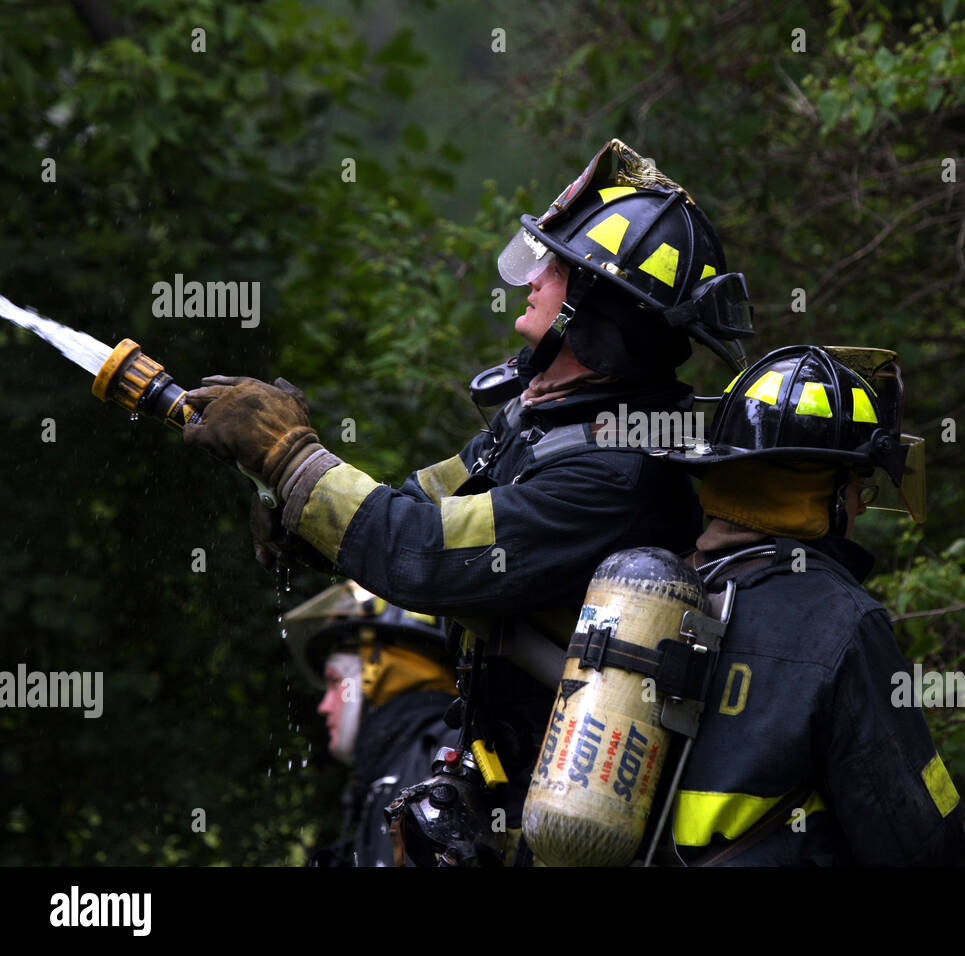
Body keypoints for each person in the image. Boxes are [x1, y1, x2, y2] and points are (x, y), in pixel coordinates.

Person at [183, 139, 755, 856]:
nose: (534, 278)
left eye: (559, 269)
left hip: (567, 817)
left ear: (600, 315)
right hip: (509, 778)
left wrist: (296, 461)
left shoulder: (615, 476)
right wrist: (287, 492)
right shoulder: (548, 422)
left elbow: (428, 556)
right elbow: (416, 511)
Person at [652, 344, 965, 865]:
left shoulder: (660, 589)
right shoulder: (840, 620)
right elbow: (912, 833)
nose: (860, 510)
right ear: (822, 492)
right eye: (855, 489)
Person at [282, 579, 460, 866]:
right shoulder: (390, 772)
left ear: (377, 672)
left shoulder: (445, 754)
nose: (323, 706)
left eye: (334, 682)